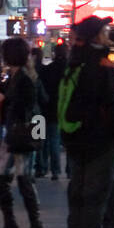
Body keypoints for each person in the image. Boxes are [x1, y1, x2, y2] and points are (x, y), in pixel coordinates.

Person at [60, 16, 114, 228]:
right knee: (94, 200)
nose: (109, 34)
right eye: (105, 30)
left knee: (79, 197)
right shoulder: (101, 63)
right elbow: (113, 101)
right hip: (99, 141)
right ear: (97, 36)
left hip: (76, 139)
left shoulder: (74, 62)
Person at [0, 37, 44, 228]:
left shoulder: (23, 78)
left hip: (22, 132)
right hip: (20, 131)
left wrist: (5, 100)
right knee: (10, 176)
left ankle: (29, 224)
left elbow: (29, 102)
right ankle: (19, 223)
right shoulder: (18, 76)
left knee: (21, 178)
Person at [36, 42, 66, 180]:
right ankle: (56, 170)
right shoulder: (69, 69)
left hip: (44, 109)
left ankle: (41, 167)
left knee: (43, 140)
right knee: (56, 140)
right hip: (62, 109)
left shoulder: (47, 70)